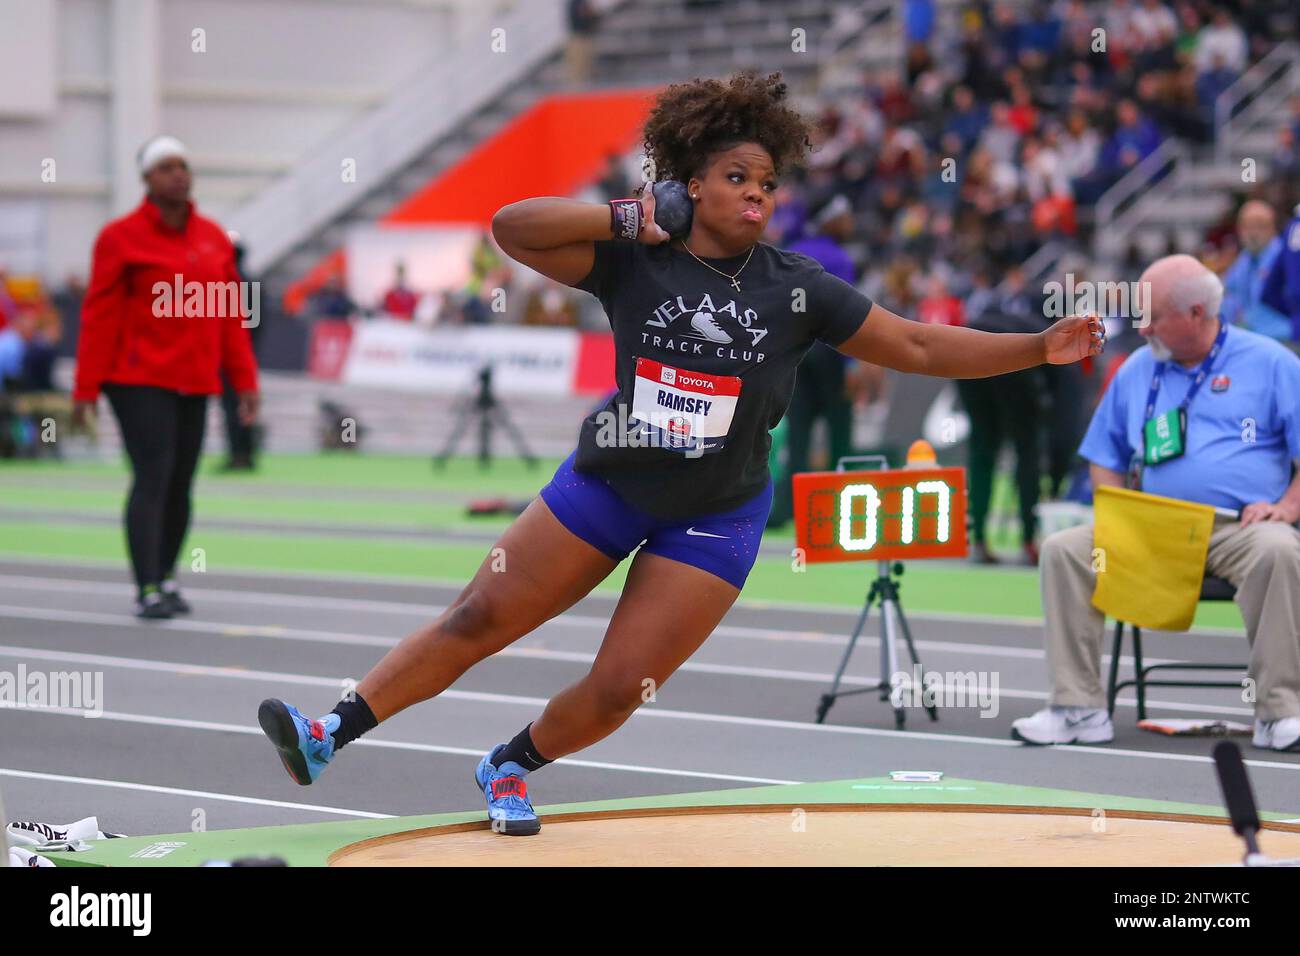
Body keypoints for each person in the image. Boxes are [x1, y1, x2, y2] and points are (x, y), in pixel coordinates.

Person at [257, 71, 1103, 836]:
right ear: (689, 183)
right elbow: (512, 229)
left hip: (716, 513)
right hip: (610, 483)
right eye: (736, 177)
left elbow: (916, 346)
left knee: (622, 687)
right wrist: (629, 217)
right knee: (478, 619)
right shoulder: (635, 260)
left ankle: (510, 765)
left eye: (768, 183)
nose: (755, 196)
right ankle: (331, 729)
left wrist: (1038, 347)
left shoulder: (797, 285)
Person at [1012, 255, 1300, 752]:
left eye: (1154, 314)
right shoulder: (1135, 369)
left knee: (1280, 550)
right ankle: (1078, 707)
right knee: (1064, 549)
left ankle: (1279, 712)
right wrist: (1115, 510)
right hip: (1153, 529)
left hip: (1239, 529)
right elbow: (1104, 454)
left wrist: (1289, 506)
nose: (1141, 325)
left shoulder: (1272, 362)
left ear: (1195, 313)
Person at [72, 135, 260, 618]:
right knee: (153, 473)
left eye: (183, 165)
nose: (178, 173)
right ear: (146, 180)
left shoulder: (214, 238)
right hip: (137, 378)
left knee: (181, 481)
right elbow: (99, 316)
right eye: (165, 167)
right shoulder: (119, 238)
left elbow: (230, 316)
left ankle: (168, 575)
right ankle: (147, 587)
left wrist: (246, 381)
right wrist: (85, 388)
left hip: (194, 379)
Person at [1221, 200, 1290, 341]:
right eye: (1247, 227)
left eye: (1260, 226)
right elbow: (1228, 295)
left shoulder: (1285, 258)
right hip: (1247, 336)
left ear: (1273, 228)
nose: (1253, 233)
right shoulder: (1242, 261)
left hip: (1282, 337)